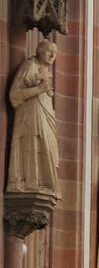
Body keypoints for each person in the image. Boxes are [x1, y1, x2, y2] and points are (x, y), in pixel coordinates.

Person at [6, 40, 61, 199]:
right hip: (30, 118)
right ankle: (30, 183)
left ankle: (43, 183)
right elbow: (14, 95)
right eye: (48, 51)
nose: (52, 55)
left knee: (47, 147)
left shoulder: (46, 72)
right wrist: (39, 89)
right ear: (39, 51)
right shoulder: (29, 66)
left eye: (55, 52)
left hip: (44, 117)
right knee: (32, 145)